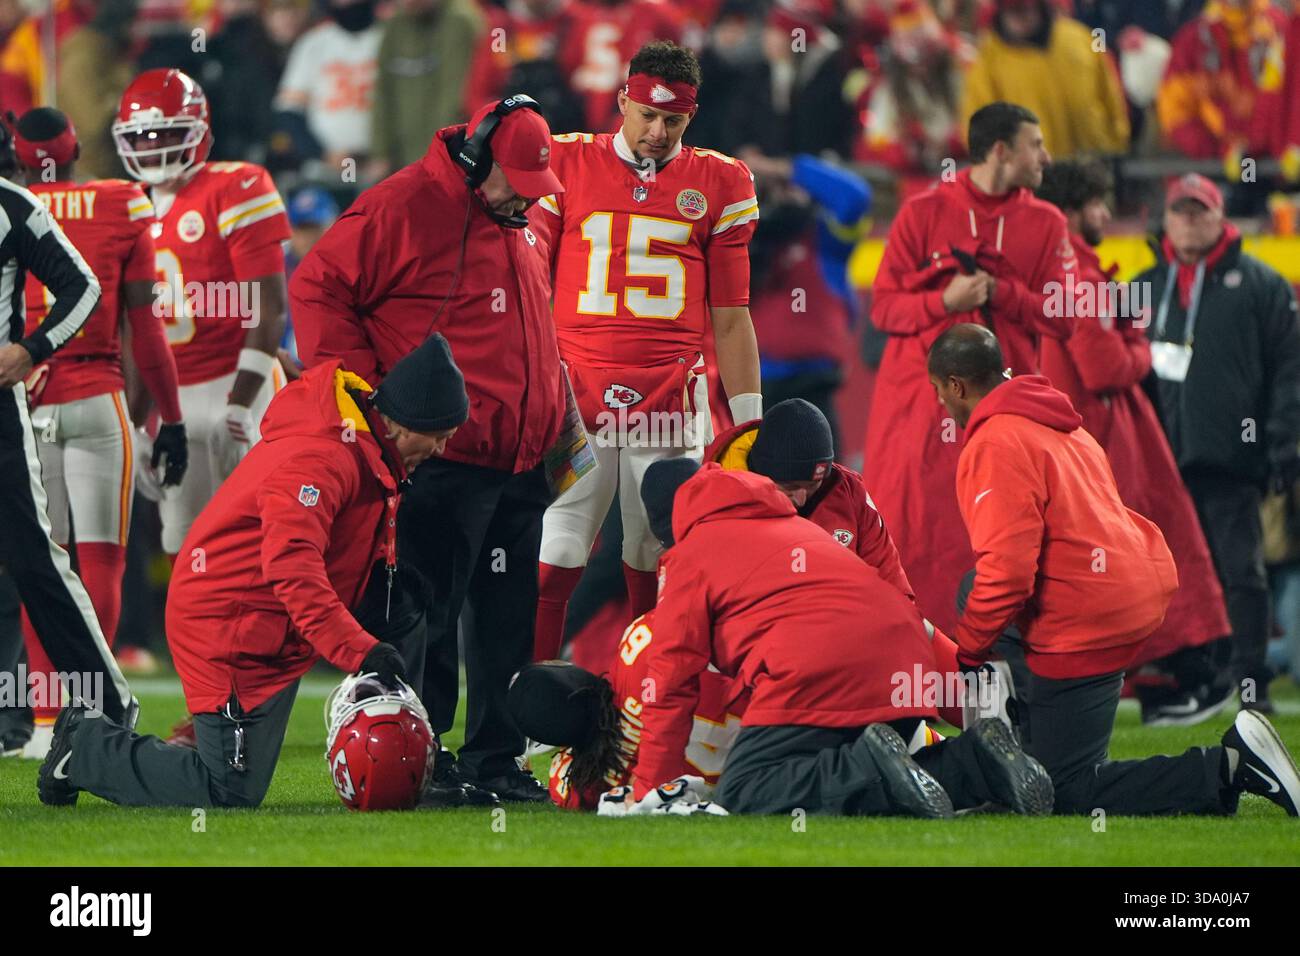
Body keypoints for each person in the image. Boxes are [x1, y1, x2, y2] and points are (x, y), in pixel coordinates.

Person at [36, 334, 468, 809]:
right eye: (442, 433)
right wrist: (360, 650)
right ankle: (85, 748)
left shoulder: (363, 437)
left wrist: (384, 580)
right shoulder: (322, 457)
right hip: (230, 624)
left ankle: (411, 757)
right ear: (408, 424)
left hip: (270, 617)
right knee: (227, 791)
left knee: (402, 605)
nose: (444, 448)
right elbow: (292, 567)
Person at [290, 95, 568, 803]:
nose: (526, 202)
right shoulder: (403, 205)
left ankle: (495, 761)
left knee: (507, 622)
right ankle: (425, 753)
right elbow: (316, 285)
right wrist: (369, 399)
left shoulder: (512, 212)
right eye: (516, 185)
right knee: (429, 620)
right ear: (476, 162)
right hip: (443, 457)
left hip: (520, 457)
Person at [929, 323, 1300, 818]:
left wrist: (969, 652)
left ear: (956, 385)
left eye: (939, 392)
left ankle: (1232, 765)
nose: (941, 406)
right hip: (1124, 590)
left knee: (1063, 792)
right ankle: (1016, 749)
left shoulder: (995, 441)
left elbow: (1010, 572)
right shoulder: (1057, 422)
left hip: (1088, 616)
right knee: (972, 591)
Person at [630, 459, 1055, 818]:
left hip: (819, 666)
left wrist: (649, 789)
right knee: (877, 769)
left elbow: (669, 680)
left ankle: (864, 763)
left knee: (745, 789)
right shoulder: (794, 525)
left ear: (665, 525)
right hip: (905, 654)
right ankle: (977, 761)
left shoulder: (690, 554)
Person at [533, 41, 763, 662]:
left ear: (693, 118)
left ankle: (646, 702)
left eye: (674, 122)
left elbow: (732, 316)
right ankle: (525, 717)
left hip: (669, 394)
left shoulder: (722, 179)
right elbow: (529, 285)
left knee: (654, 551)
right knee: (558, 548)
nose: (657, 133)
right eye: (647, 116)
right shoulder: (565, 159)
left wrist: (748, 424)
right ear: (622, 102)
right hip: (575, 387)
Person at [10, 107, 187, 759]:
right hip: (99, 394)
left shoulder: (15, 206)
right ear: (77, 145)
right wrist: (168, 415)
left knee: (41, 560)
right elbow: (146, 326)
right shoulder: (121, 202)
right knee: (102, 560)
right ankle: (93, 711)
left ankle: (51, 717)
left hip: (26, 392)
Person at [864, 101, 1076, 636]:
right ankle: (917, 657)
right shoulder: (922, 211)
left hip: (1006, 409)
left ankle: (1008, 671)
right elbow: (884, 308)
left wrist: (1003, 292)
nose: (1045, 158)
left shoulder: (1046, 222)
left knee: (1008, 533)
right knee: (919, 533)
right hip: (922, 406)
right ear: (1002, 150)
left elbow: (1065, 316)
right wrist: (946, 300)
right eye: (1036, 145)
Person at [1035, 160, 1233, 726]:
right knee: (1155, 550)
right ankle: (1178, 680)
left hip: (1086, 437)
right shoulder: (1080, 278)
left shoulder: (1060, 273)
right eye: (1099, 203)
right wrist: (1143, 350)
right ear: (1074, 209)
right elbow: (1105, 367)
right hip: (1110, 437)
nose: (1108, 214)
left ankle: (1151, 680)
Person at [1137, 173, 1300, 714]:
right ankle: (1190, 677)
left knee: (1240, 570)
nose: (1188, 220)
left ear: (1220, 216)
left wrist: (1280, 443)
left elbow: (1289, 372)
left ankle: (1250, 680)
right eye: (1179, 211)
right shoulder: (1144, 286)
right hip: (1157, 461)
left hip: (1230, 455)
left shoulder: (1261, 285)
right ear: (1166, 218)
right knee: (1166, 574)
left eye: (1199, 211)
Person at [112, 68, 290, 561]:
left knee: (262, 538)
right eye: (143, 136)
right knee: (187, 548)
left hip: (240, 381)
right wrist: (134, 422)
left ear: (198, 132)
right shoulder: (128, 210)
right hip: (176, 402)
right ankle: (198, 641)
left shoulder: (237, 184)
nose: (153, 147)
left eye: (166, 133)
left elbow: (267, 304)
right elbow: (140, 333)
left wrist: (241, 403)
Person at [0, 113, 138, 730]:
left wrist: (31, 348)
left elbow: (82, 287)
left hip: (10, 411)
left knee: (37, 559)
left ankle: (110, 710)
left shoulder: (14, 206)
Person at [961, 0, 1129, 159]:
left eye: (1024, 8)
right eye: (1012, 10)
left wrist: (1116, 142)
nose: (1019, 17)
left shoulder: (1079, 38)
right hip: (1030, 173)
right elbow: (978, 124)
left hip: (1093, 161)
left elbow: (1110, 94)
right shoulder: (988, 59)